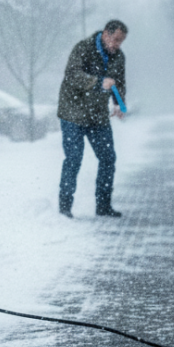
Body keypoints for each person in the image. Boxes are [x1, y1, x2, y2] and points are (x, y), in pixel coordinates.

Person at [57, 20, 128, 218]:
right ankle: (64, 208)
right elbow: (72, 75)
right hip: (73, 113)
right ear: (106, 34)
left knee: (108, 158)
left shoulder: (118, 57)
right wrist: (97, 82)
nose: (117, 45)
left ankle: (103, 206)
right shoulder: (83, 48)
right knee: (74, 159)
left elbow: (119, 82)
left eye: (121, 42)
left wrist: (118, 102)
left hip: (97, 116)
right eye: (115, 39)